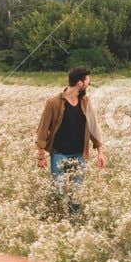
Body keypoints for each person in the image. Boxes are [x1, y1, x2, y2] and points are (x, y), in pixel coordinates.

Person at [35, 66, 105, 212]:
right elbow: (43, 129)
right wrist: (41, 156)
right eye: (87, 81)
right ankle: (55, 216)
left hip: (79, 154)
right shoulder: (53, 103)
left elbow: (93, 127)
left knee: (76, 193)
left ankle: (74, 220)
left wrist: (100, 151)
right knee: (58, 191)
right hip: (59, 153)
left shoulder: (85, 102)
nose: (89, 84)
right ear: (80, 83)